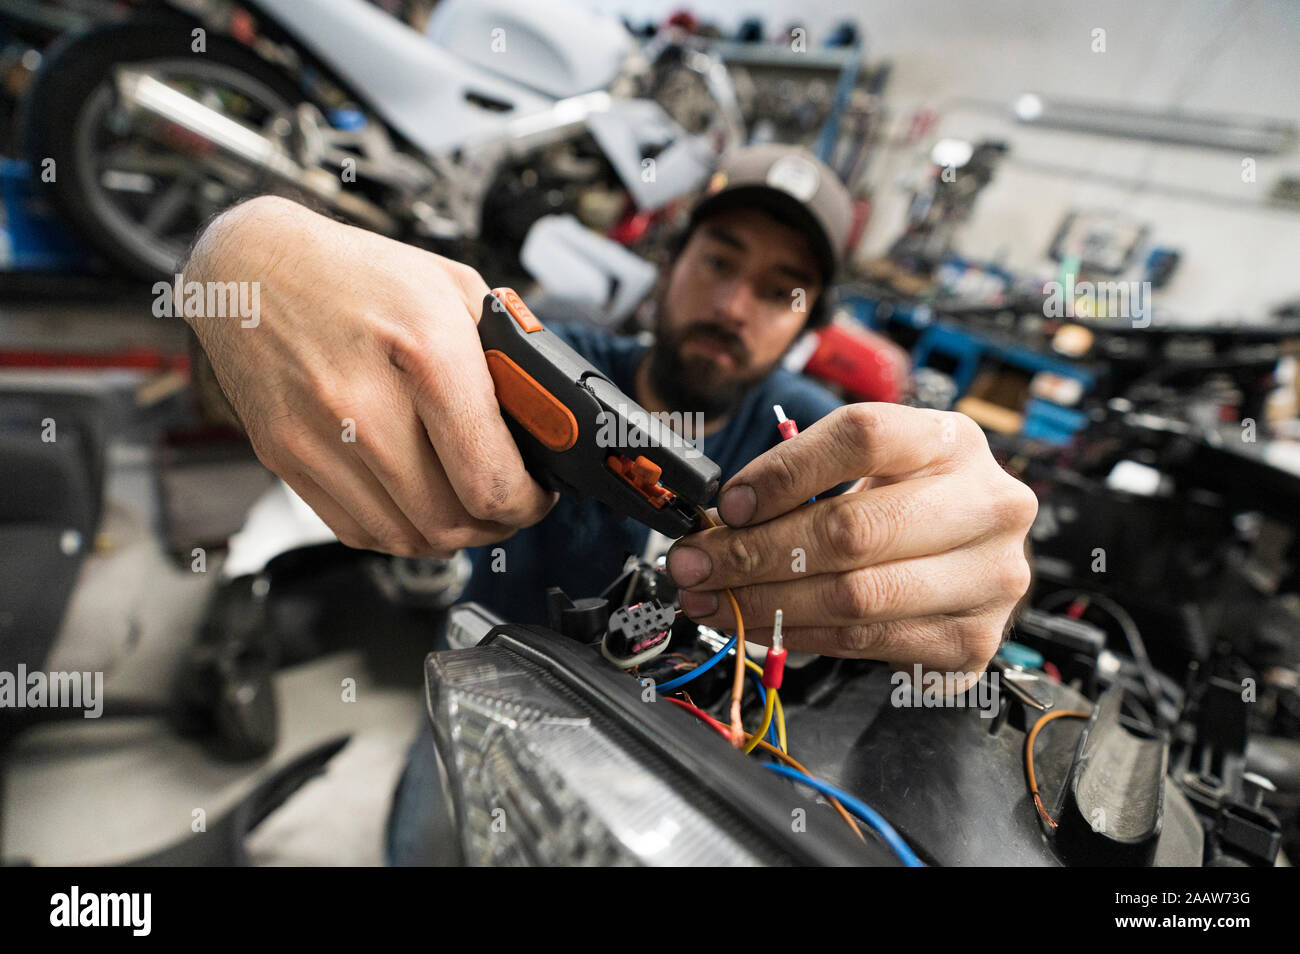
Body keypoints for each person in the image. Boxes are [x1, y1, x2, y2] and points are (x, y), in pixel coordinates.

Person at [182, 145, 1037, 861]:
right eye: (719, 260)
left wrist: (969, 568)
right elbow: (306, 357)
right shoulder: (546, 359)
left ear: (806, 324)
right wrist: (242, 254)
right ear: (668, 266)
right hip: (486, 718)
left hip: (684, 766)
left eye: (780, 289)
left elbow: (932, 551)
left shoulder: (813, 439)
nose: (734, 305)